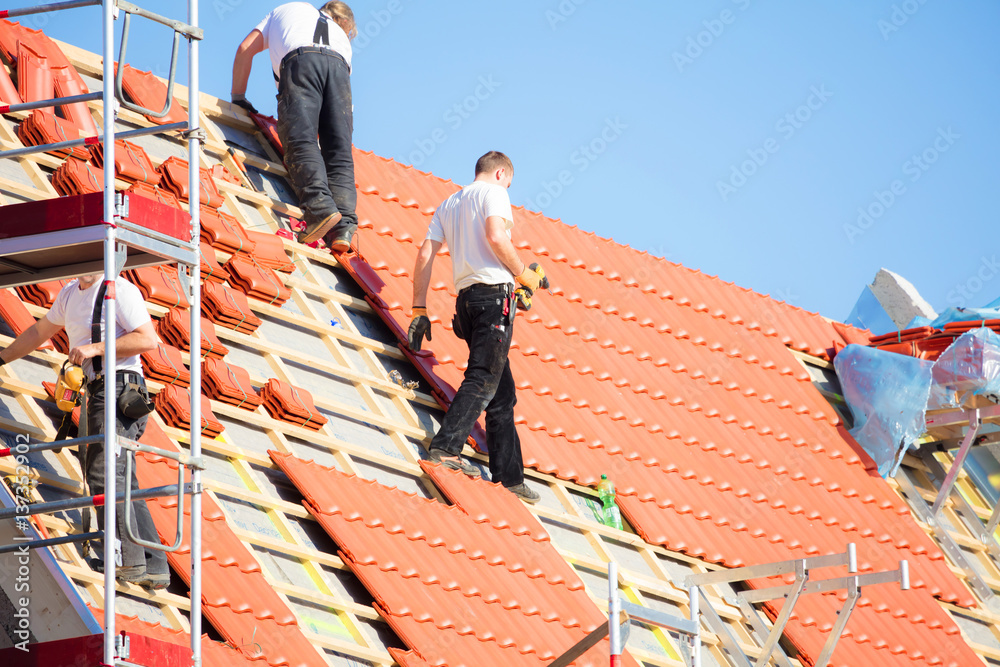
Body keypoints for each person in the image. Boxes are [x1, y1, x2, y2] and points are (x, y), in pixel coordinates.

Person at [0, 274, 168, 589]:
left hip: (120, 387)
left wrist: (94, 348)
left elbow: (148, 339)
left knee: (107, 475)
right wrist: (1, 358)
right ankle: (152, 563)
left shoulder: (118, 290)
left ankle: (124, 559)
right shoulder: (69, 293)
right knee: (120, 475)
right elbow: (39, 331)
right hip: (101, 389)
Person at [408, 151, 543, 504]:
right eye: (510, 183)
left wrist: (419, 307)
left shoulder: (448, 204)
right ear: (501, 173)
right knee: (483, 377)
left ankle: (509, 475)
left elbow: (425, 255)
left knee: (502, 391)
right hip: (492, 298)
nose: (509, 188)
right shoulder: (494, 193)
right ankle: (446, 447)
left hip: (466, 302)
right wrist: (522, 274)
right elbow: (497, 237)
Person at [231, 1, 359, 253]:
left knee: (301, 140)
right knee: (339, 154)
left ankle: (320, 209)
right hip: (339, 69)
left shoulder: (288, 8)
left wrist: (238, 97)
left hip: (302, 60)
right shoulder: (340, 38)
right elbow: (336, 122)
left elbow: (245, 48)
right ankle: (343, 227)